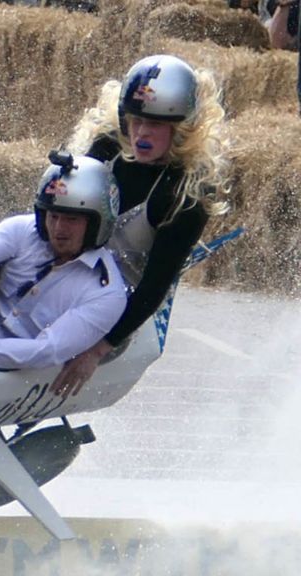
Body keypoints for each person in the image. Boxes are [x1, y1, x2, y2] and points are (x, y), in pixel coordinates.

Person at [52, 54, 230, 397]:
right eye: (136, 121)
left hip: (113, 306)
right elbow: (55, 213)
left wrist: (96, 351)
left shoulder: (185, 193)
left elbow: (155, 285)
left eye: (156, 125)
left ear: (181, 128)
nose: (142, 134)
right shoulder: (106, 149)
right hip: (66, 274)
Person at [0, 154, 126, 370]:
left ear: (96, 225)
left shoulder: (107, 293)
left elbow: (49, 349)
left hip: (7, 359)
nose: (59, 229)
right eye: (53, 216)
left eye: (72, 220)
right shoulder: (24, 229)